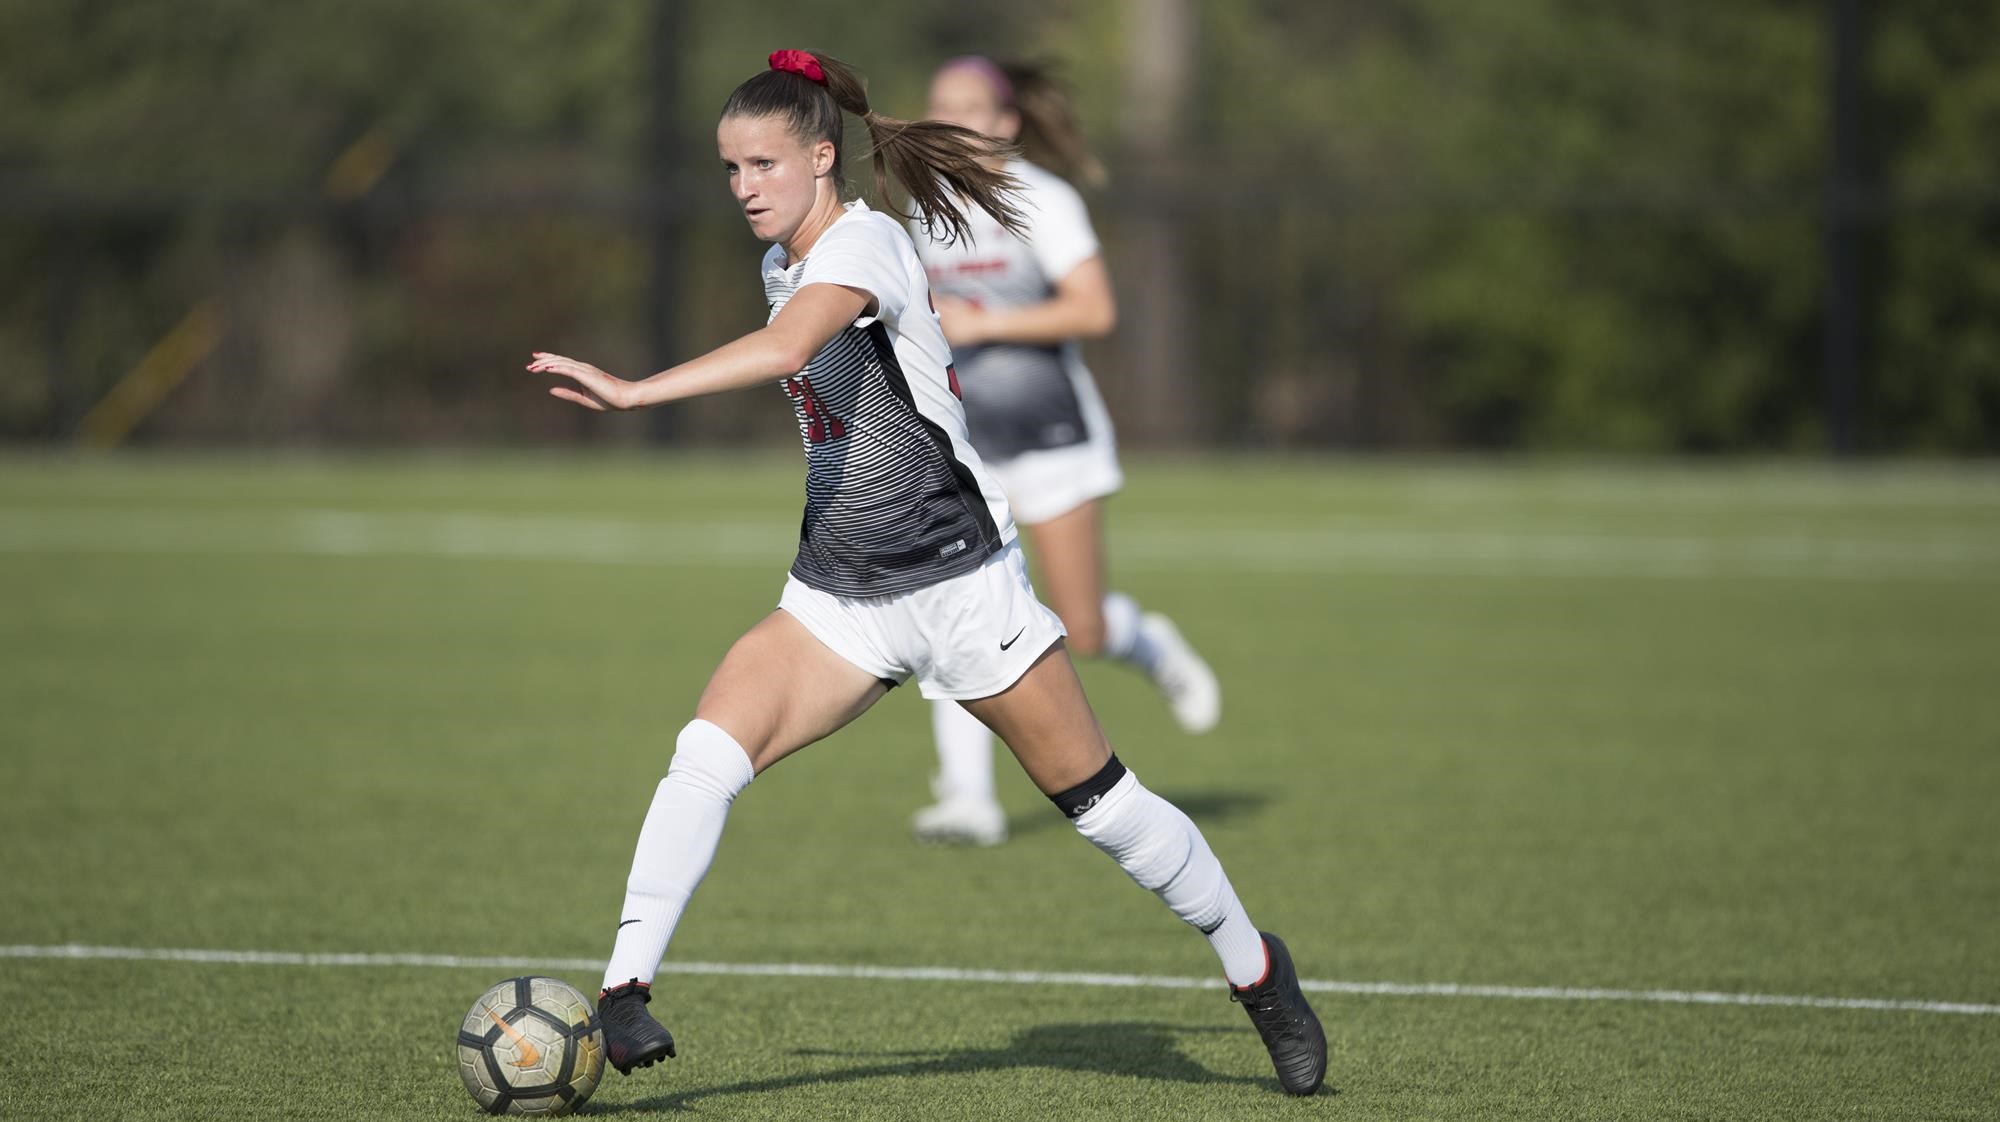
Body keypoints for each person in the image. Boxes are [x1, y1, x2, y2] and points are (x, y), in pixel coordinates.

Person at [526, 50, 1325, 1098]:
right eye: (729, 168)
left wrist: (634, 393)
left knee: (1106, 810)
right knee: (705, 752)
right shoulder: (781, 261)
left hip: (960, 588)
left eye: (764, 164)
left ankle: (1257, 971)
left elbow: (789, 350)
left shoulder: (865, 244)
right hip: (837, 599)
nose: (744, 187)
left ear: (823, 157)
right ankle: (624, 991)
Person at [908, 56, 1219, 848]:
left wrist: (988, 325)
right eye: (940, 107)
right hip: (966, 444)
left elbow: (1094, 309)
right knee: (959, 616)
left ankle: (1149, 642)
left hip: (1052, 435)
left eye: (969, 108)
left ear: (1005, 124)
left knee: (1079, 628)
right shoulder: (919, 207)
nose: (951, 121)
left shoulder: (1043, 200)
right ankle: (968, 799)